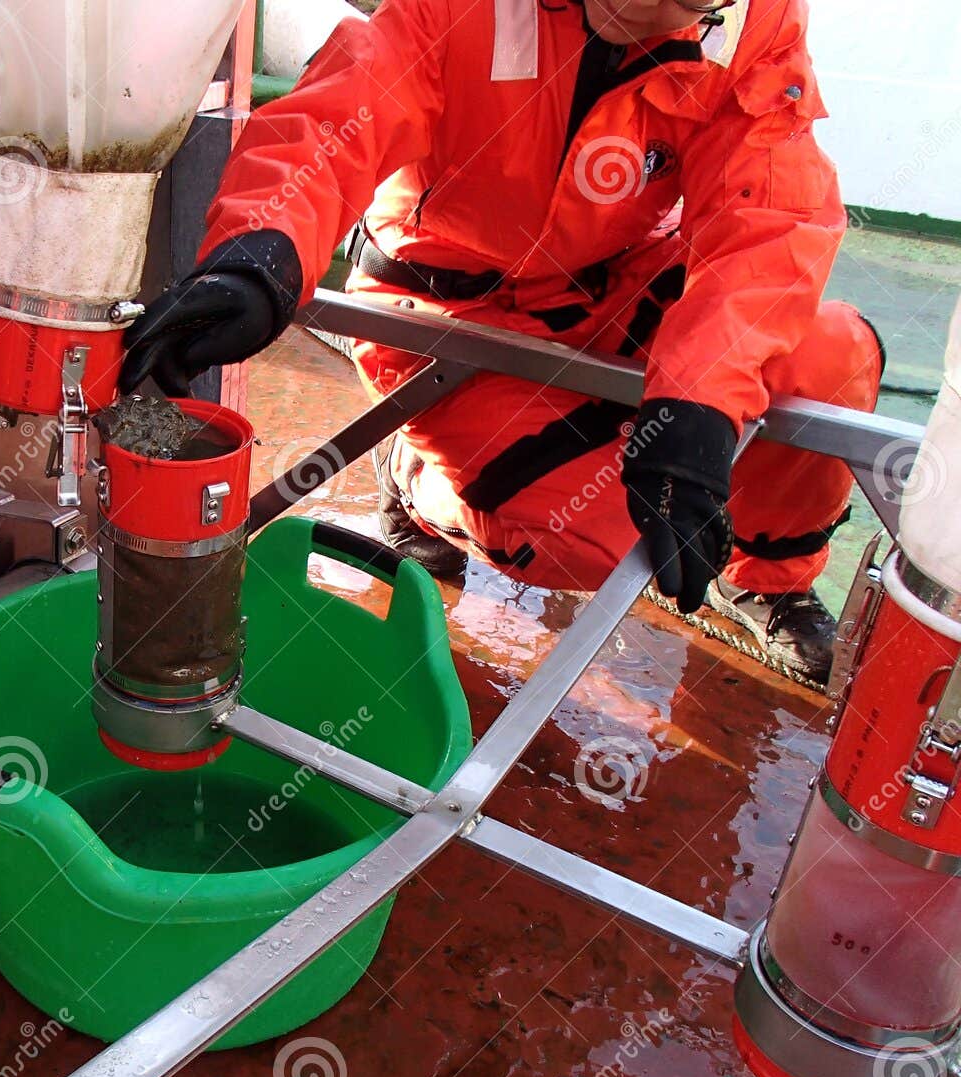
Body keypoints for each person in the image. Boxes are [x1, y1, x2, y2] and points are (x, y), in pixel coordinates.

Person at [121, 0, 884, 685]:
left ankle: (767, 581)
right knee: (593, 536)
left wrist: (697, 408)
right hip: (448, 317)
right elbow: (346, 109)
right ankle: (416, 482)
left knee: (831, 357)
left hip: (611, 292)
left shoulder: (755, 23)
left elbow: (769, 223)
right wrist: (263, 252)